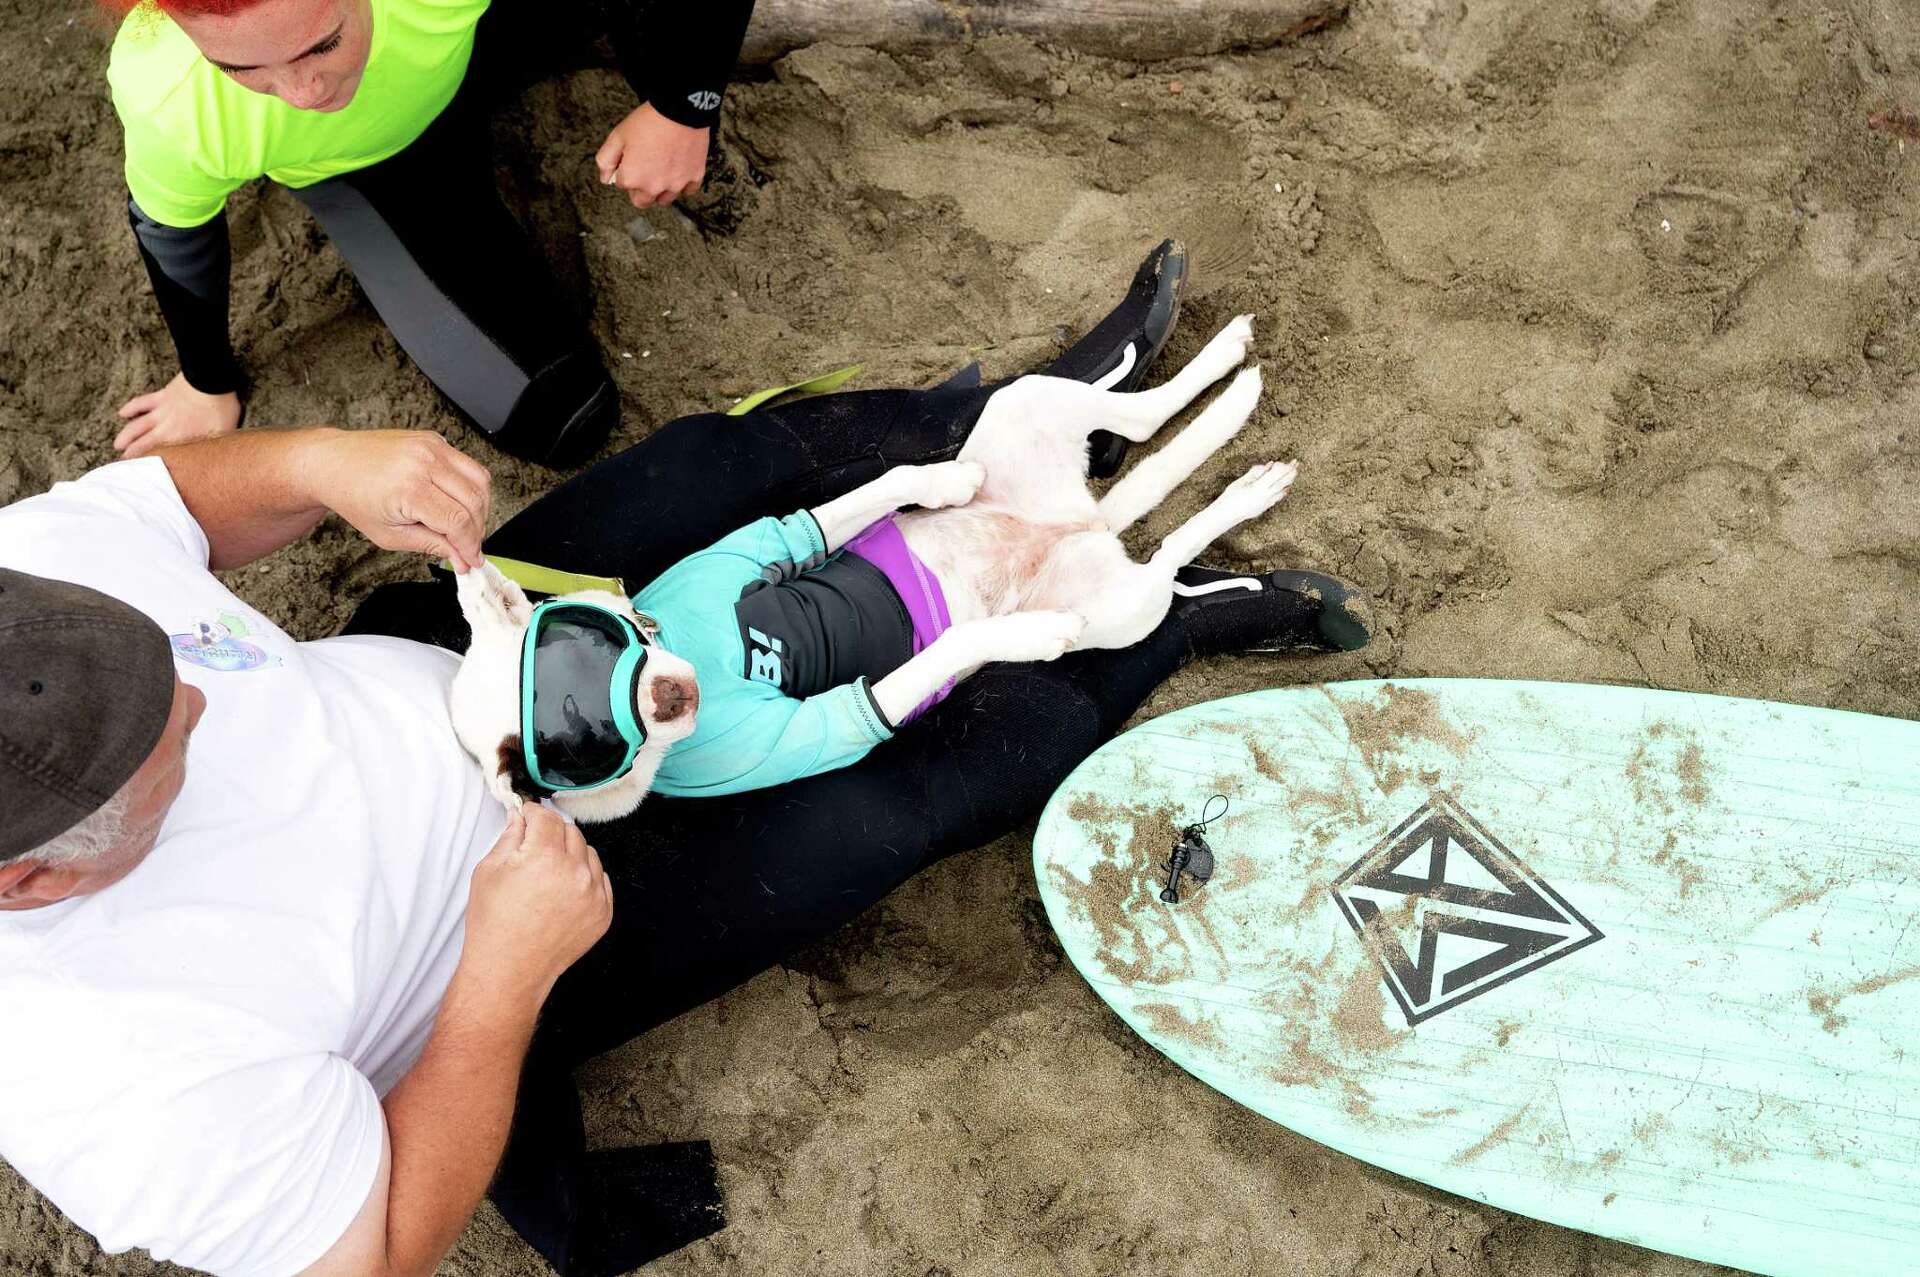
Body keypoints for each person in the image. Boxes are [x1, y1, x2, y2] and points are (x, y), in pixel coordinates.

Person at [0, 259, 1371, 1277]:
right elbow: (373, 1247)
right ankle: (1155, 630)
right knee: (896, 803)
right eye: (160, 731)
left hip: (469, 659)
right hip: (518, 926)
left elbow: (166, 505)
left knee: (718, 470)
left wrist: (317, 460)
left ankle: (1045, 416)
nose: (200, 690)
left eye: (161, 658)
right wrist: (498, 978)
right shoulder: (111, 1087)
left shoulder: (30, 600)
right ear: (25, 878)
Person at [107, 0, 756, 466]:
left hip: (479, 37)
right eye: (241, 69)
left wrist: (682, 107)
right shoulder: (170, 97)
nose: (300, 92)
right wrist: (205, 381)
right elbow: (174, 234)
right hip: (371, 167)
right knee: (559, 417)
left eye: (322, 44)